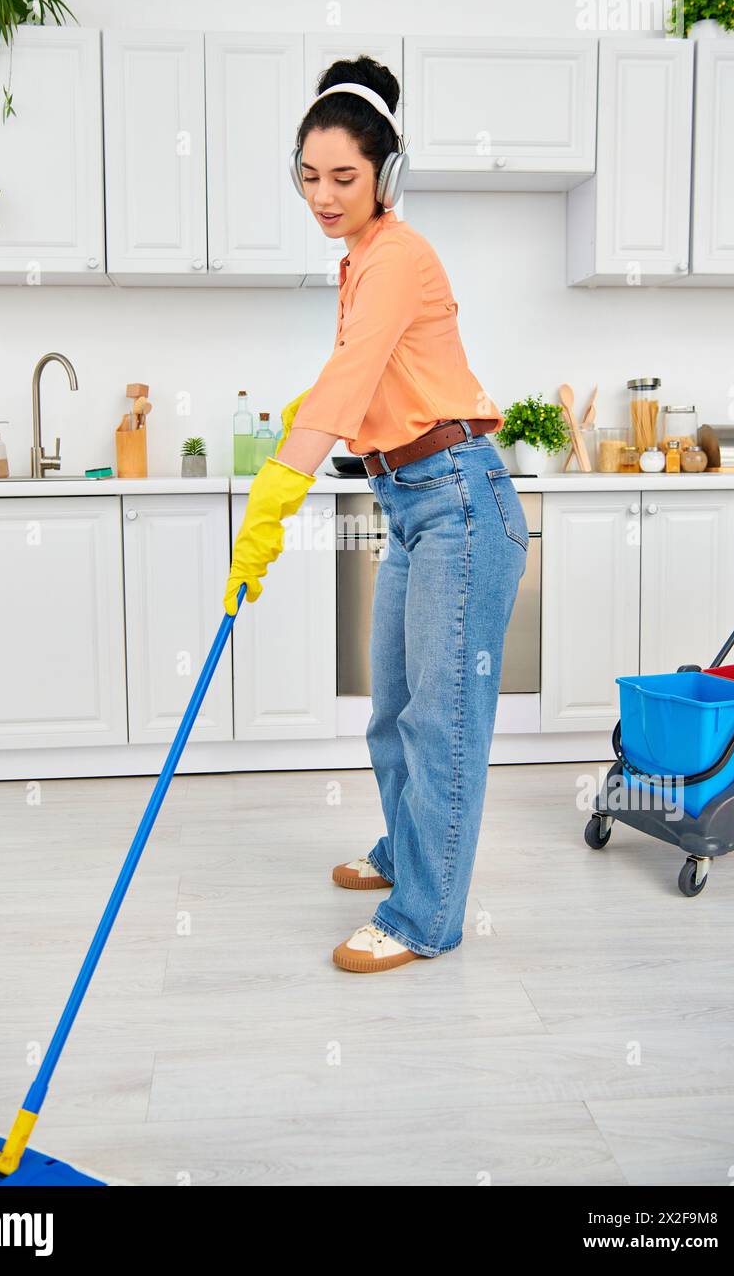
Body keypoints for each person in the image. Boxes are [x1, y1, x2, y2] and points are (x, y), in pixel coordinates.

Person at [224, 56, 528, 974]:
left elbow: (354, 379)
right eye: (308, 177)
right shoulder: (358, 265)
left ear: (384, 177)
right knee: (391, 711)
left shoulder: (398, 257)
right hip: (412, 507)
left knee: (442, 720)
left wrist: (276, 494)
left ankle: (427, 916)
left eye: (344, 177)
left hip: (461, 505)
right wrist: (301, 417)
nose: (323, 195)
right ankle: (407, 854)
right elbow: (355, 378)